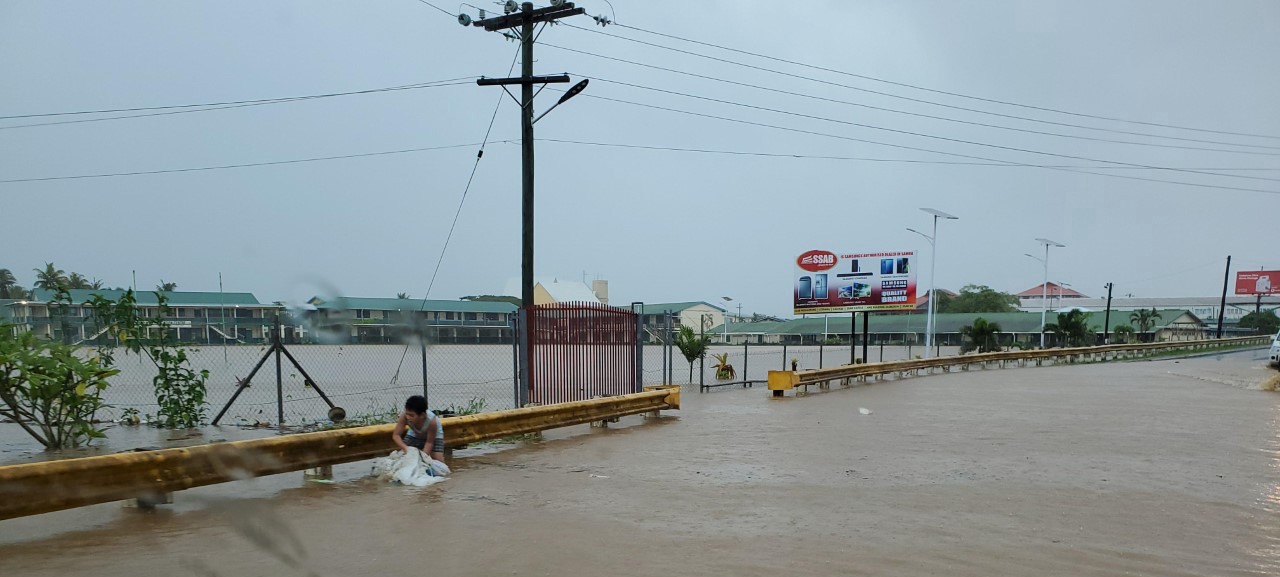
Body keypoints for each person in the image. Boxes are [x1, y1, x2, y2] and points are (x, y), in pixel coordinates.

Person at [393, 395, 444, 462]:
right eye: (407, 414)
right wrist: (405, 448)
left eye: (411, 415)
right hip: (415, 433)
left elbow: (429, 442)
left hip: (434, 436)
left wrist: (423, 458)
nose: (408, 417)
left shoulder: (432, 422)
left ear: (422, 415)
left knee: (438, 460)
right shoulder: (404, 416)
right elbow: (396, 435)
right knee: (402, 456)